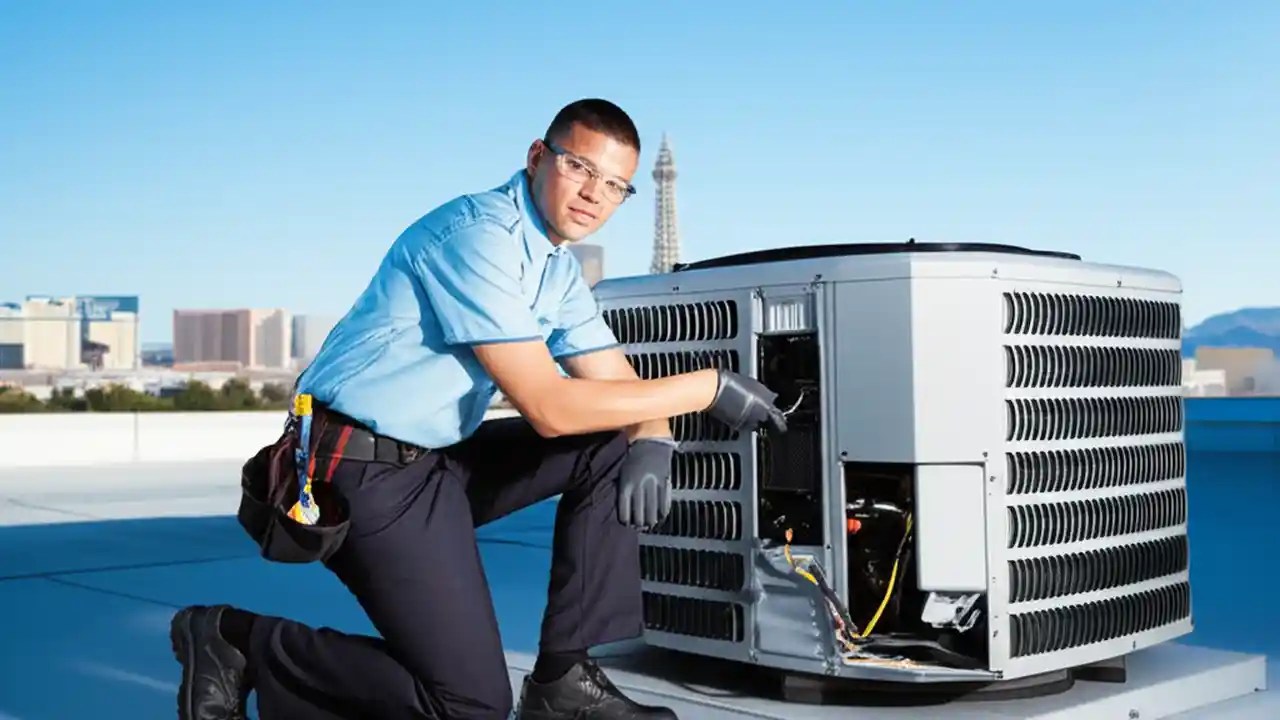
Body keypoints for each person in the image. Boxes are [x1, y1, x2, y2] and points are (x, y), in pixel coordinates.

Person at [168, 98, 787, 720]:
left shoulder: (556, 271)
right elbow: (547, 407)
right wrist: (705, 388)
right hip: (358, 470)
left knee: (606, 442)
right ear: (538, 157)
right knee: (470, 707)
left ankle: (564, 680)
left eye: (616, 185)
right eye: (580, 168)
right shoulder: (476, 237)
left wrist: (653, 438)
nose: (594, 194)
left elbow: (613, 384)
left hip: (434, 463)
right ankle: (237, 641)